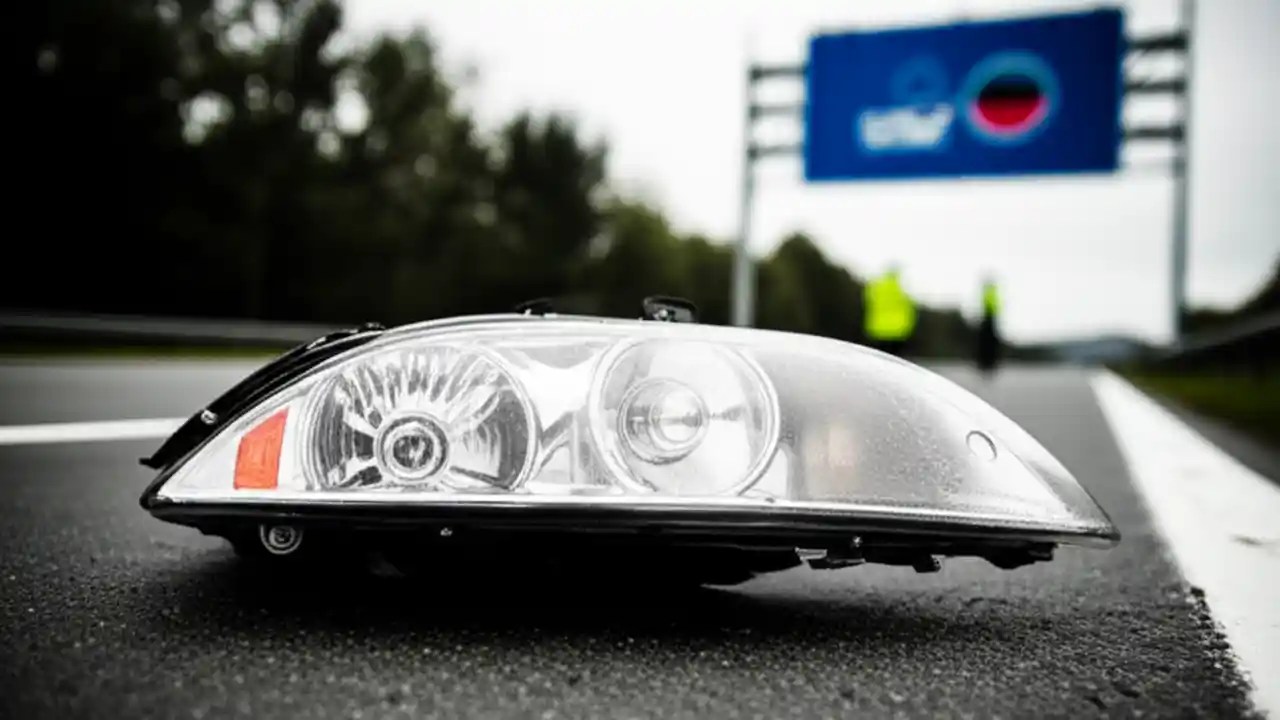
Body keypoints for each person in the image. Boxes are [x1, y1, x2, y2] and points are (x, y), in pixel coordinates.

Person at [862, 265, 917, 357]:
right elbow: (911, 310)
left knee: (877, 359)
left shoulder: (876, 287)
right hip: (898, 332)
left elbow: (867, 300)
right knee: (894, 360)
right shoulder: (902, 290)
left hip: (877, 330)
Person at [976, 276, 1002, 373]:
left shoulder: (989, 291)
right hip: (989, 316)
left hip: (989, 316)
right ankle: (987, 362)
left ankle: (987, 362)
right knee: (988, 341)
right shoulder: (991, 291)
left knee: (987, 341)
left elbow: (991, 305)